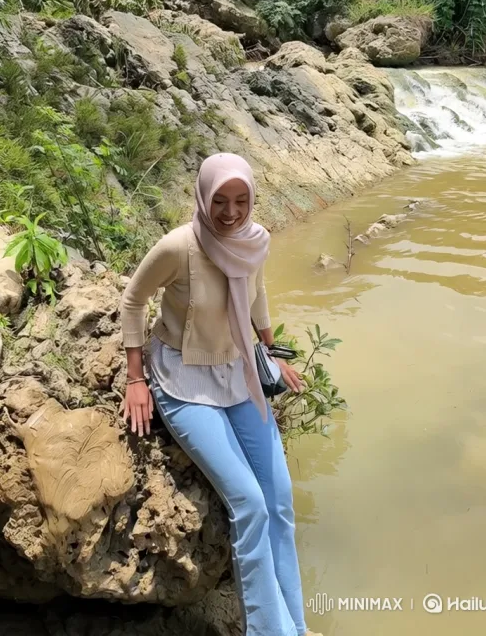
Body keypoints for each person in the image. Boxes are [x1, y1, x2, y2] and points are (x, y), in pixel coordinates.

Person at [120, 152, 323, 636]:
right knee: (249, 504)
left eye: (241, 200)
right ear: (203, 196)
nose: (230, 212)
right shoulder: (179, 247)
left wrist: (271, 352)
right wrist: (134, 379)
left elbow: (256, 292)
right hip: (184, 380)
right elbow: (133, 299)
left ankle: (296, 625)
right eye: (220, 201)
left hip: (237, 373)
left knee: (279, 501)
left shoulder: (256, 241)